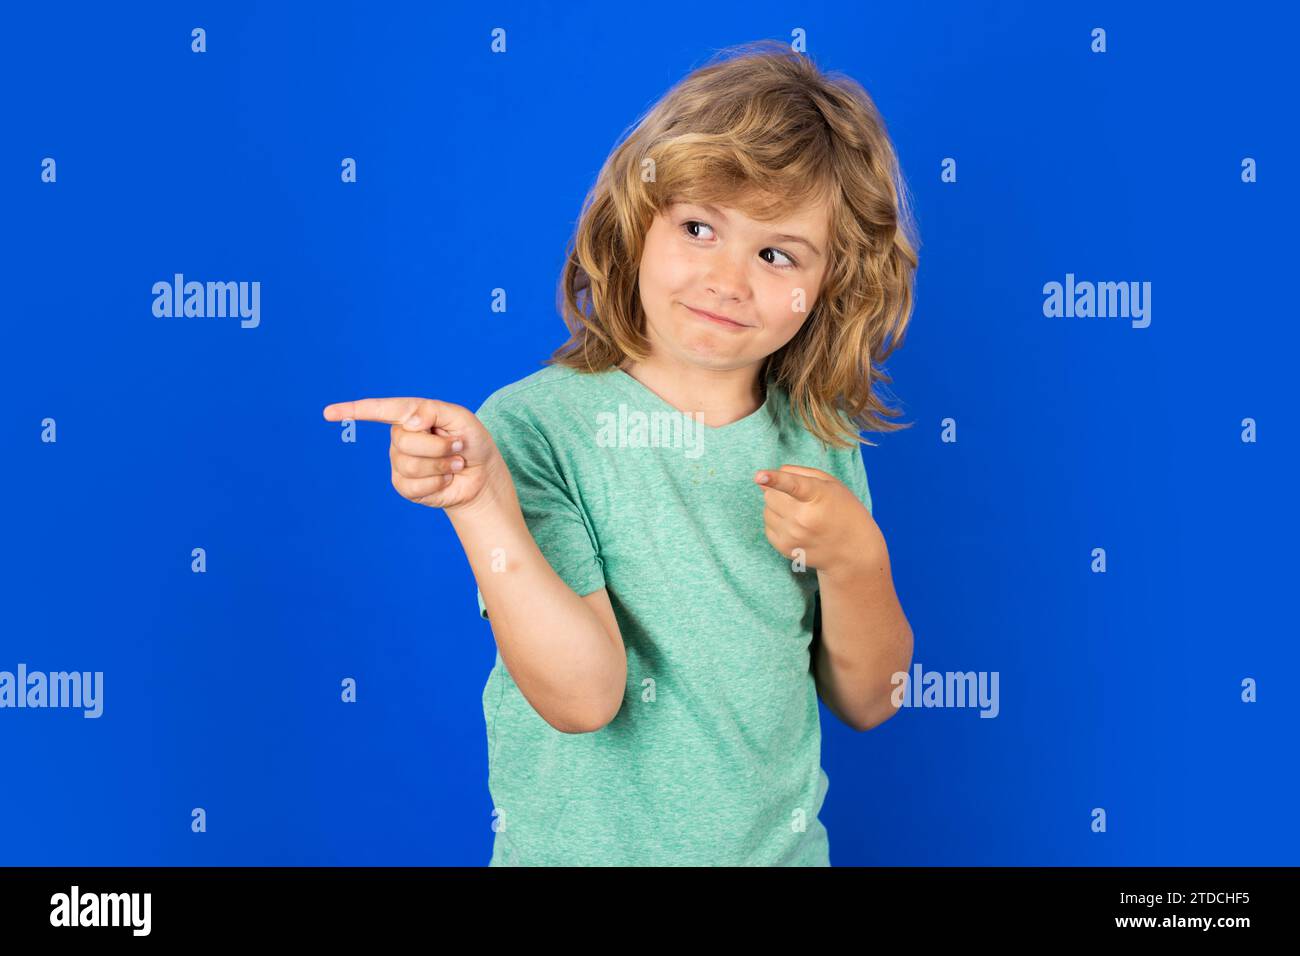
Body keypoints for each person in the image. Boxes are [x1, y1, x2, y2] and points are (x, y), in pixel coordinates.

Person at [323, 39, 918, 866]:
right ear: (638, 224)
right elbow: (583, 695)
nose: (727, 278)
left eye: (776, 253)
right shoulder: (537, 430)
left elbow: (873, 699)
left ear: (829, 285)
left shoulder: (816, 434)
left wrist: (858, 560)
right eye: (700, 227)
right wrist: (480, 504)